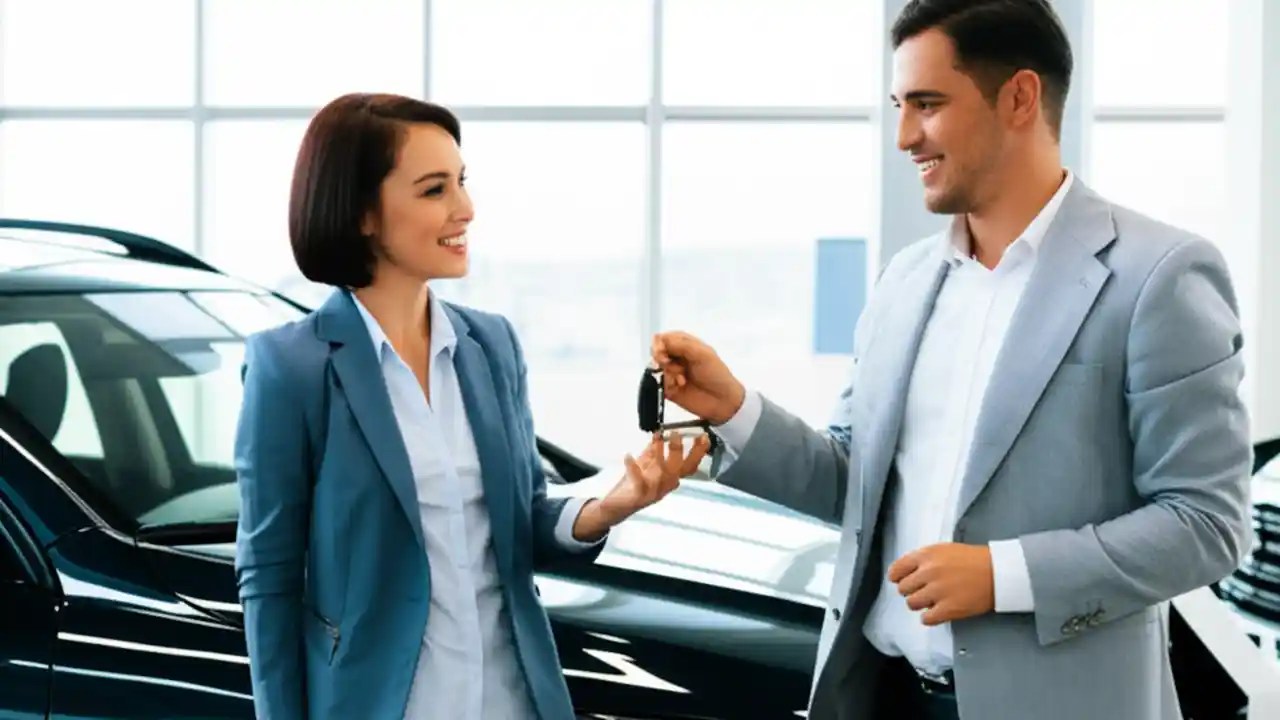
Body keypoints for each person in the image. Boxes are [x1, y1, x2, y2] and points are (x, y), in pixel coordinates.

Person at [651, 1, 1253, 719]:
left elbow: (1206, 523)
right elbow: (859, 486)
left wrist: (1002, 575)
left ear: (1020, 97)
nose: (905, 136)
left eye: (929, 105)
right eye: (900, 106)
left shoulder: (1160, 274)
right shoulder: (906, 280)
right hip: (888, 697)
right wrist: (736, 411)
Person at [234, 92, 709, 720]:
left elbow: (521, 523)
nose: (466, 209)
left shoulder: (491, 346)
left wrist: (609, 506)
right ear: (363, 214)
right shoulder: (291, 367)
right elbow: (269, 579)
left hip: (512, 699)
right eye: (434, 190)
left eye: (461, 182)